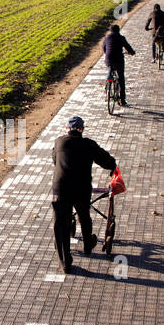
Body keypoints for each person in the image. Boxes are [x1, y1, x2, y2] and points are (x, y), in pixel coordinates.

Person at [51, 115, 117, 273]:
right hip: (81, 188)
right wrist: (113, 168)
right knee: (84, 215)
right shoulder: (89, 144)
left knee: (60, 225)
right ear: (82, 130)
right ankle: (88, 243)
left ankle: (65, 263)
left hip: (61, 189)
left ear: (67, 129)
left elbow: (55, 159)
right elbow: (107, 160)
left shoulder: (59, 142)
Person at [101, 22, 136, 106]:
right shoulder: (121, 38)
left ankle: (109, 78)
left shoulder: (106, 38)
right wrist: (132, 52)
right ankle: (122, 99)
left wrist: (107, 53)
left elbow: (103, 47)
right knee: (121, 78)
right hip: (118, 60)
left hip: (108, 59)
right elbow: (128, 47)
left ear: (110, 30)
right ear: (118, 30)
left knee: (110, 67)